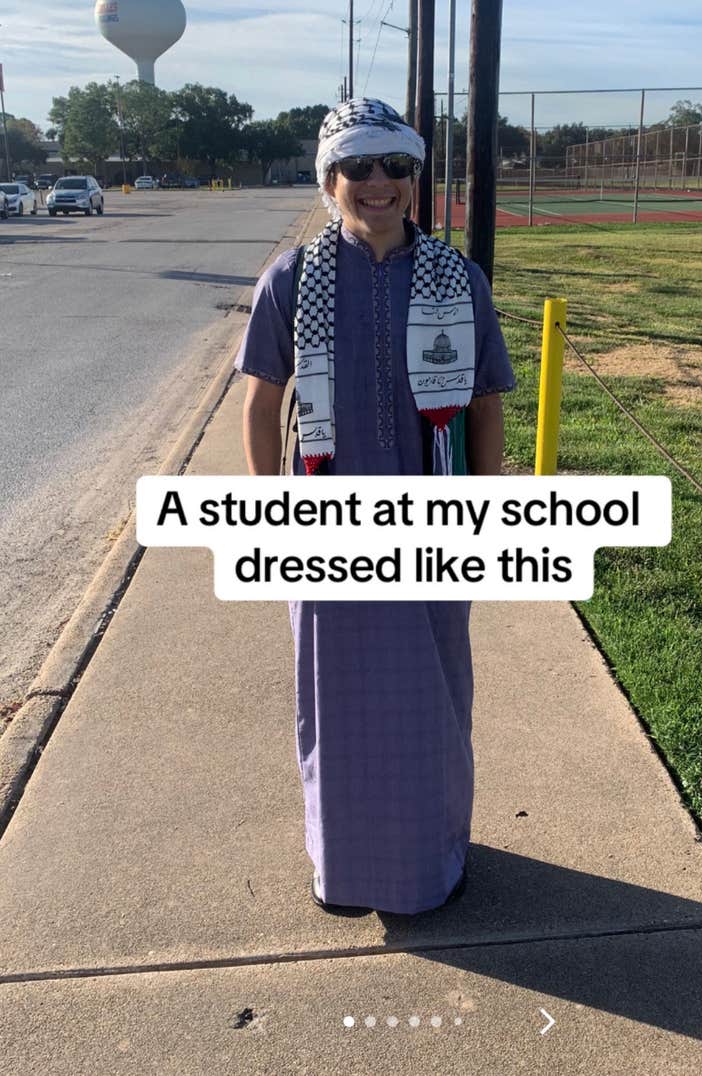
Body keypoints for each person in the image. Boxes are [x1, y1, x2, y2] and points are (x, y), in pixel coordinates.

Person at [235, 98, 516, 913]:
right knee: (337, 698)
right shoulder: (292, 280)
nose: (378, 182)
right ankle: (345, 869)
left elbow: (485, 405)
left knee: (433, 694)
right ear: (330, 182)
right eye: (357, 167)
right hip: (327, 523)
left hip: (432, 518)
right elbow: (261, 404)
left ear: (414, 177)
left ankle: (433, 864)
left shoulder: (459, 279)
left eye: (395, 165)